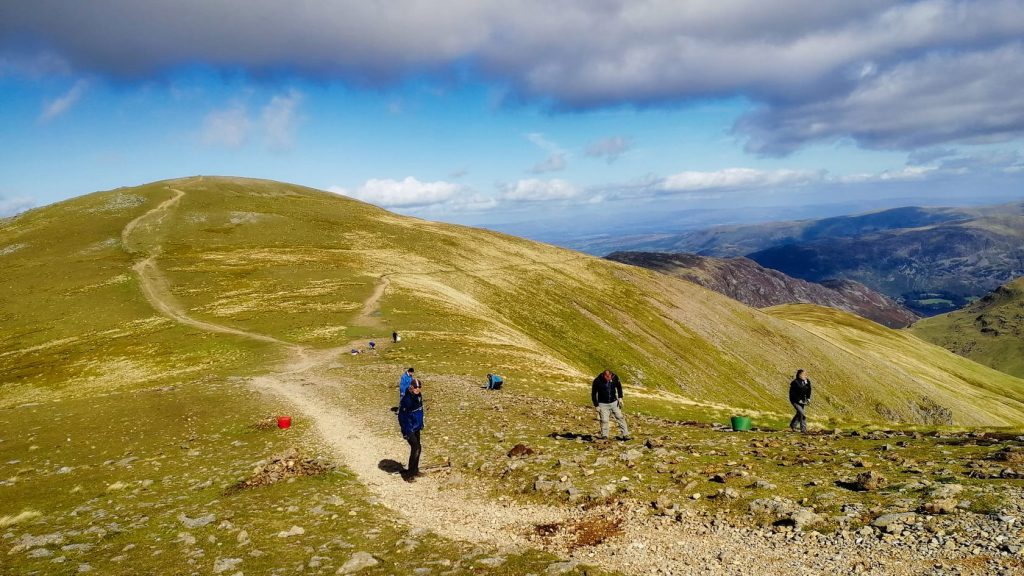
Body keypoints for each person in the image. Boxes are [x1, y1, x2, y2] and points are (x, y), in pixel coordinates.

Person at [398, 378, 424, 481]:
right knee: (416, 447)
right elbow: (402, 417)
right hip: (409, 428)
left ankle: (415, 470)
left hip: (416, 426)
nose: (418, 389)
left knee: (418, 447)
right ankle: (409, 475)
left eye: (419, 387)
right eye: (416, 387)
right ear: (411, 387)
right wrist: (406, 431)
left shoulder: (418, 396)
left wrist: (421, 423)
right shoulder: (407, 399)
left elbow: (419, 411)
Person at [591, 369, 630, 440]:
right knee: (604, 420)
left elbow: (619, 387)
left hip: (614, 402)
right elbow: (593, 394)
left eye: (610, 377)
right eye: (608, 377)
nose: (609, 379)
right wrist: (596, 405)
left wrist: (620, 398)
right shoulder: (597, 381)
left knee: (620, 417)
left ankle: (625, 434)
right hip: (603, 404)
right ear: (604, 375)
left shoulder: (615, 377)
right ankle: (604, 435)